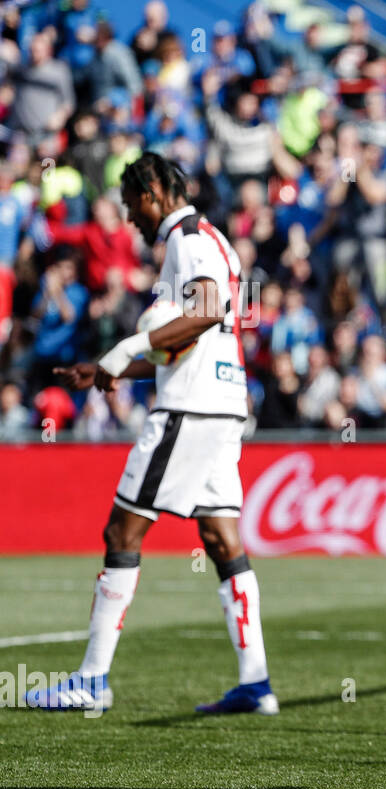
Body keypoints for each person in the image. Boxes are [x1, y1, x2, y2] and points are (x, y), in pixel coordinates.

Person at [31, 153, 277, 716]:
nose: (130, 216)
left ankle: (92, 679)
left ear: (154, 192)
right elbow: (185, 342)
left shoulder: (186, 239)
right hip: (221, 403)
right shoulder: (209, 238)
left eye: (131, 203)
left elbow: (207, 312)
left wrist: (125, 349)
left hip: (189, 409)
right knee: (220, 540)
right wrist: (110, 368)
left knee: (121, 532)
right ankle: (256, 682)